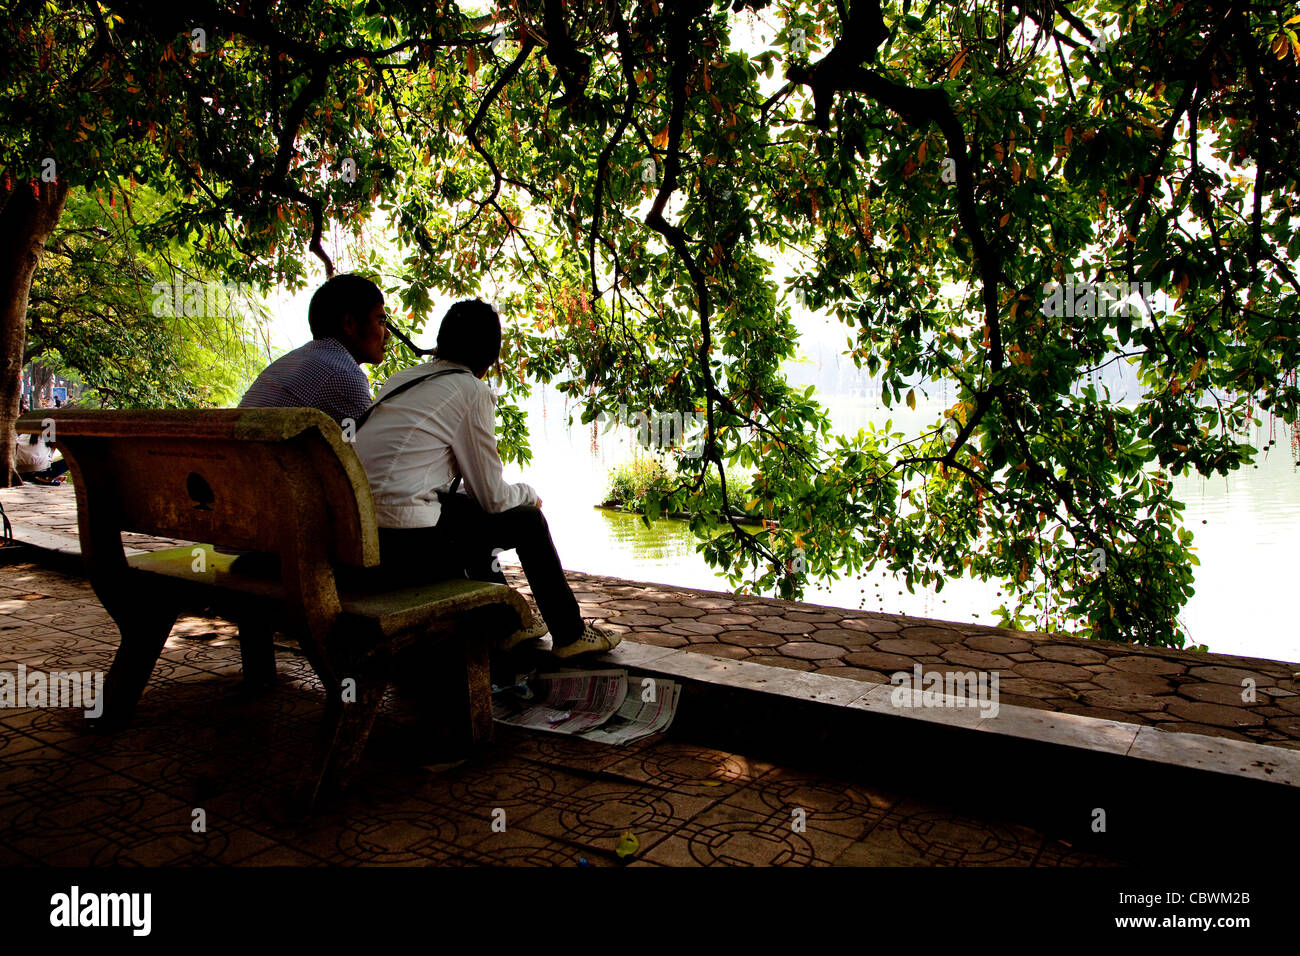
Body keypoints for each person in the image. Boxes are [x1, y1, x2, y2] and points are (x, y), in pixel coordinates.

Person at [354, 299, 619, 658]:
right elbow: (493, 498)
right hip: (406, 550)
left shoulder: (403, 380)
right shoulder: (470, 391)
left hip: (363, 541)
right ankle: (570, 634)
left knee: (465, 511)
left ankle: (504, 626)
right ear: (490, 353)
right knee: (527, 520)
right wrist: (528, 493)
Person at [238, 273, 389, 426]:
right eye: (381, 322)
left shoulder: (289, 362)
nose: (387, 334)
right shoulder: (343, 374)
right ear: (350, 324)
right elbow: (372, 445)